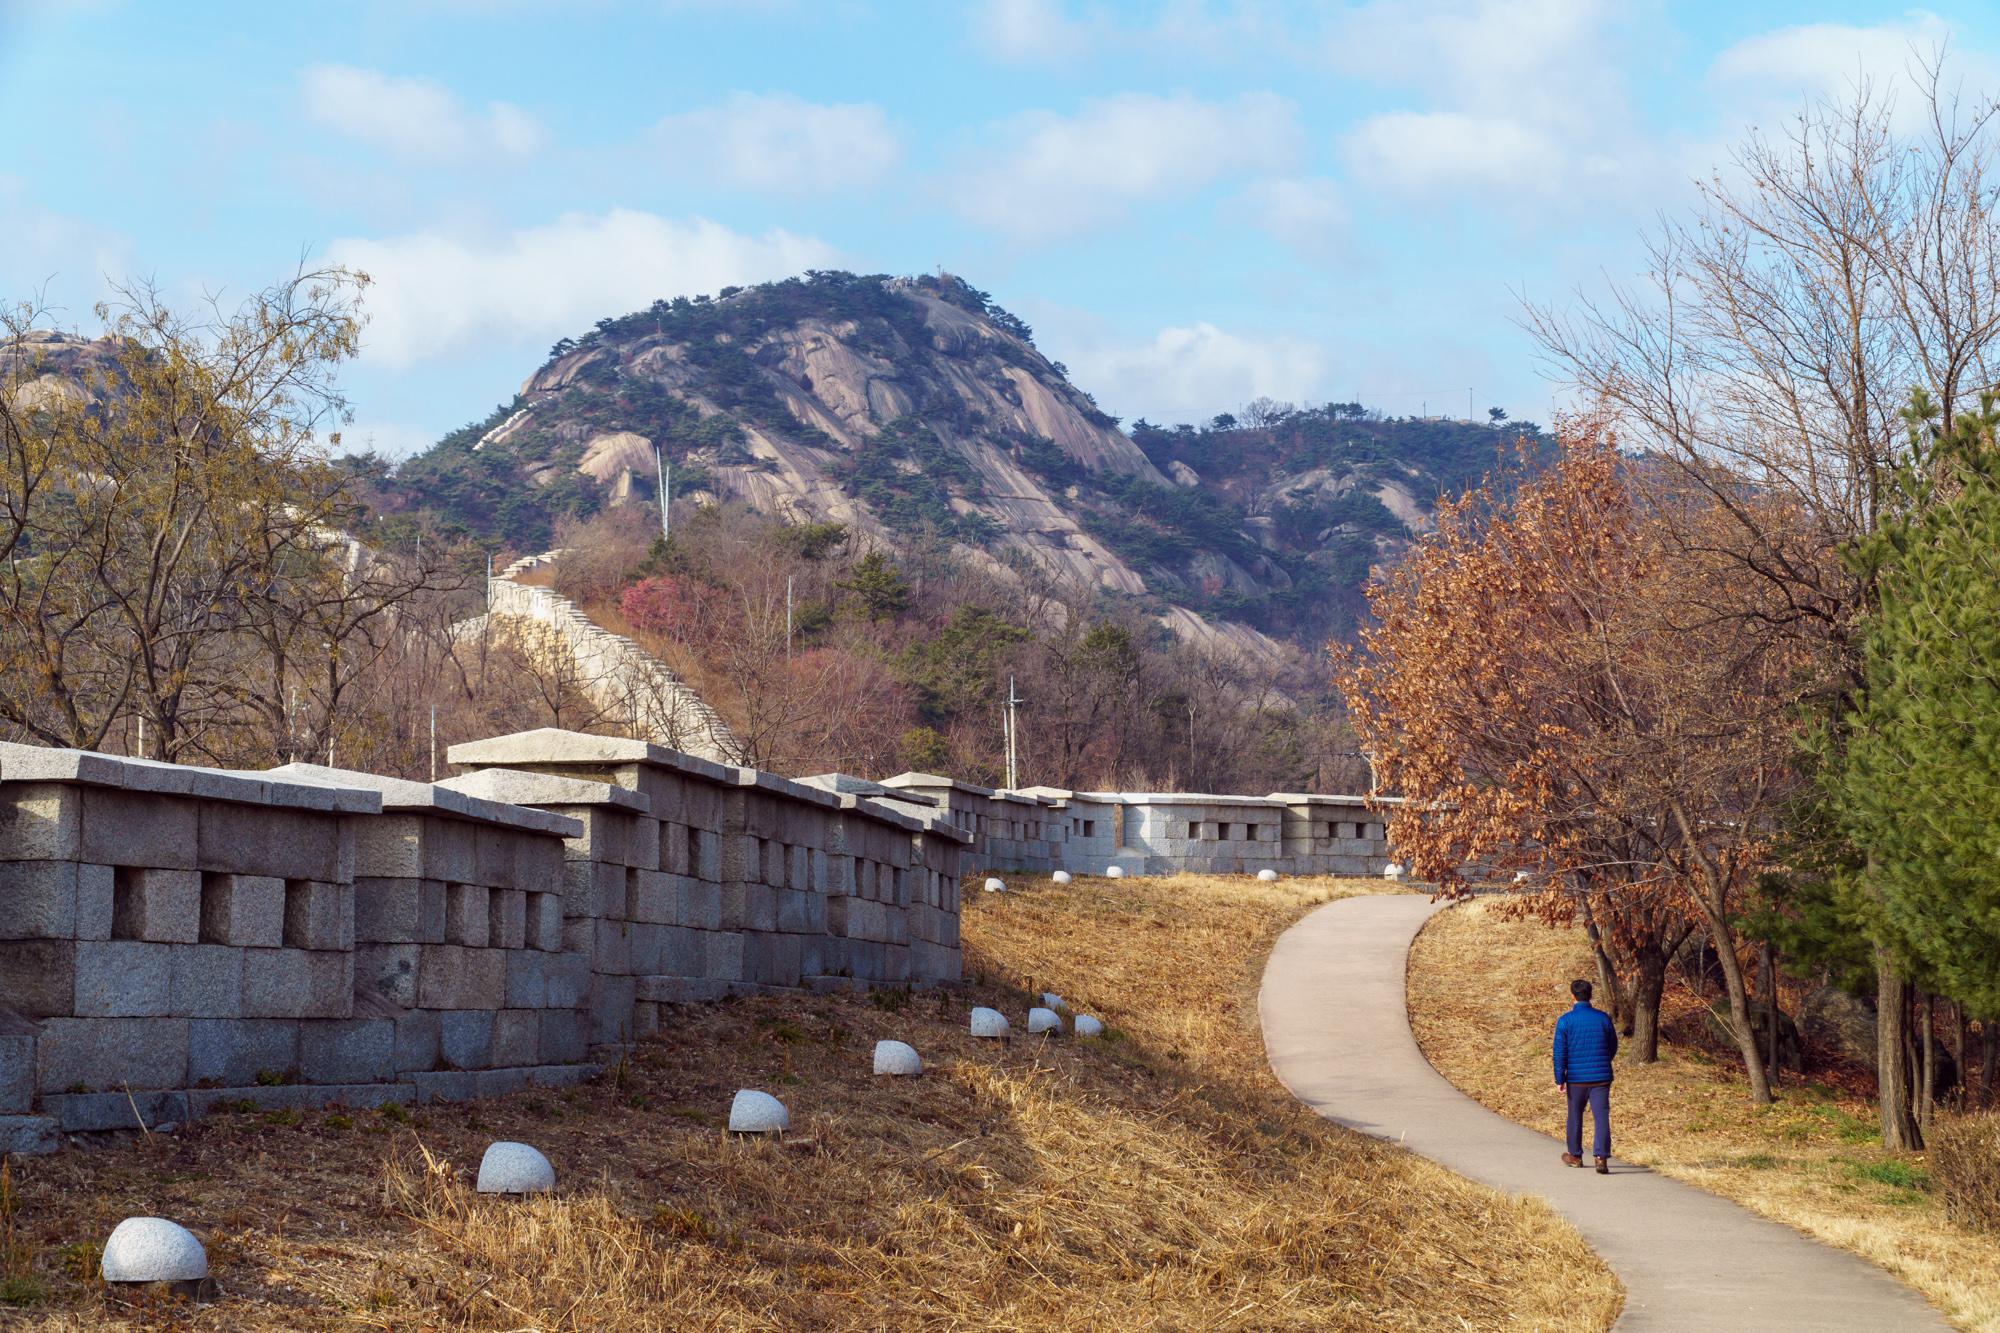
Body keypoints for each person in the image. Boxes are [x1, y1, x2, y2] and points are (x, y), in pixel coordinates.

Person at [1552, 977, 1617, 1174]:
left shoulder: (1565, 1021)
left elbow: (1559, 1052)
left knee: (1574, 1116)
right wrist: (1604, 1060)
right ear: (1590, 995)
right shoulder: (1603, 1018)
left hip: (1576, 1078)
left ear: (1572, 995)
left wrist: (1559, 1078)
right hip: (1601, 1078)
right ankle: (1601, 1158)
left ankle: (1575, 1155)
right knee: (1601, 1117)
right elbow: (1612, 1045)